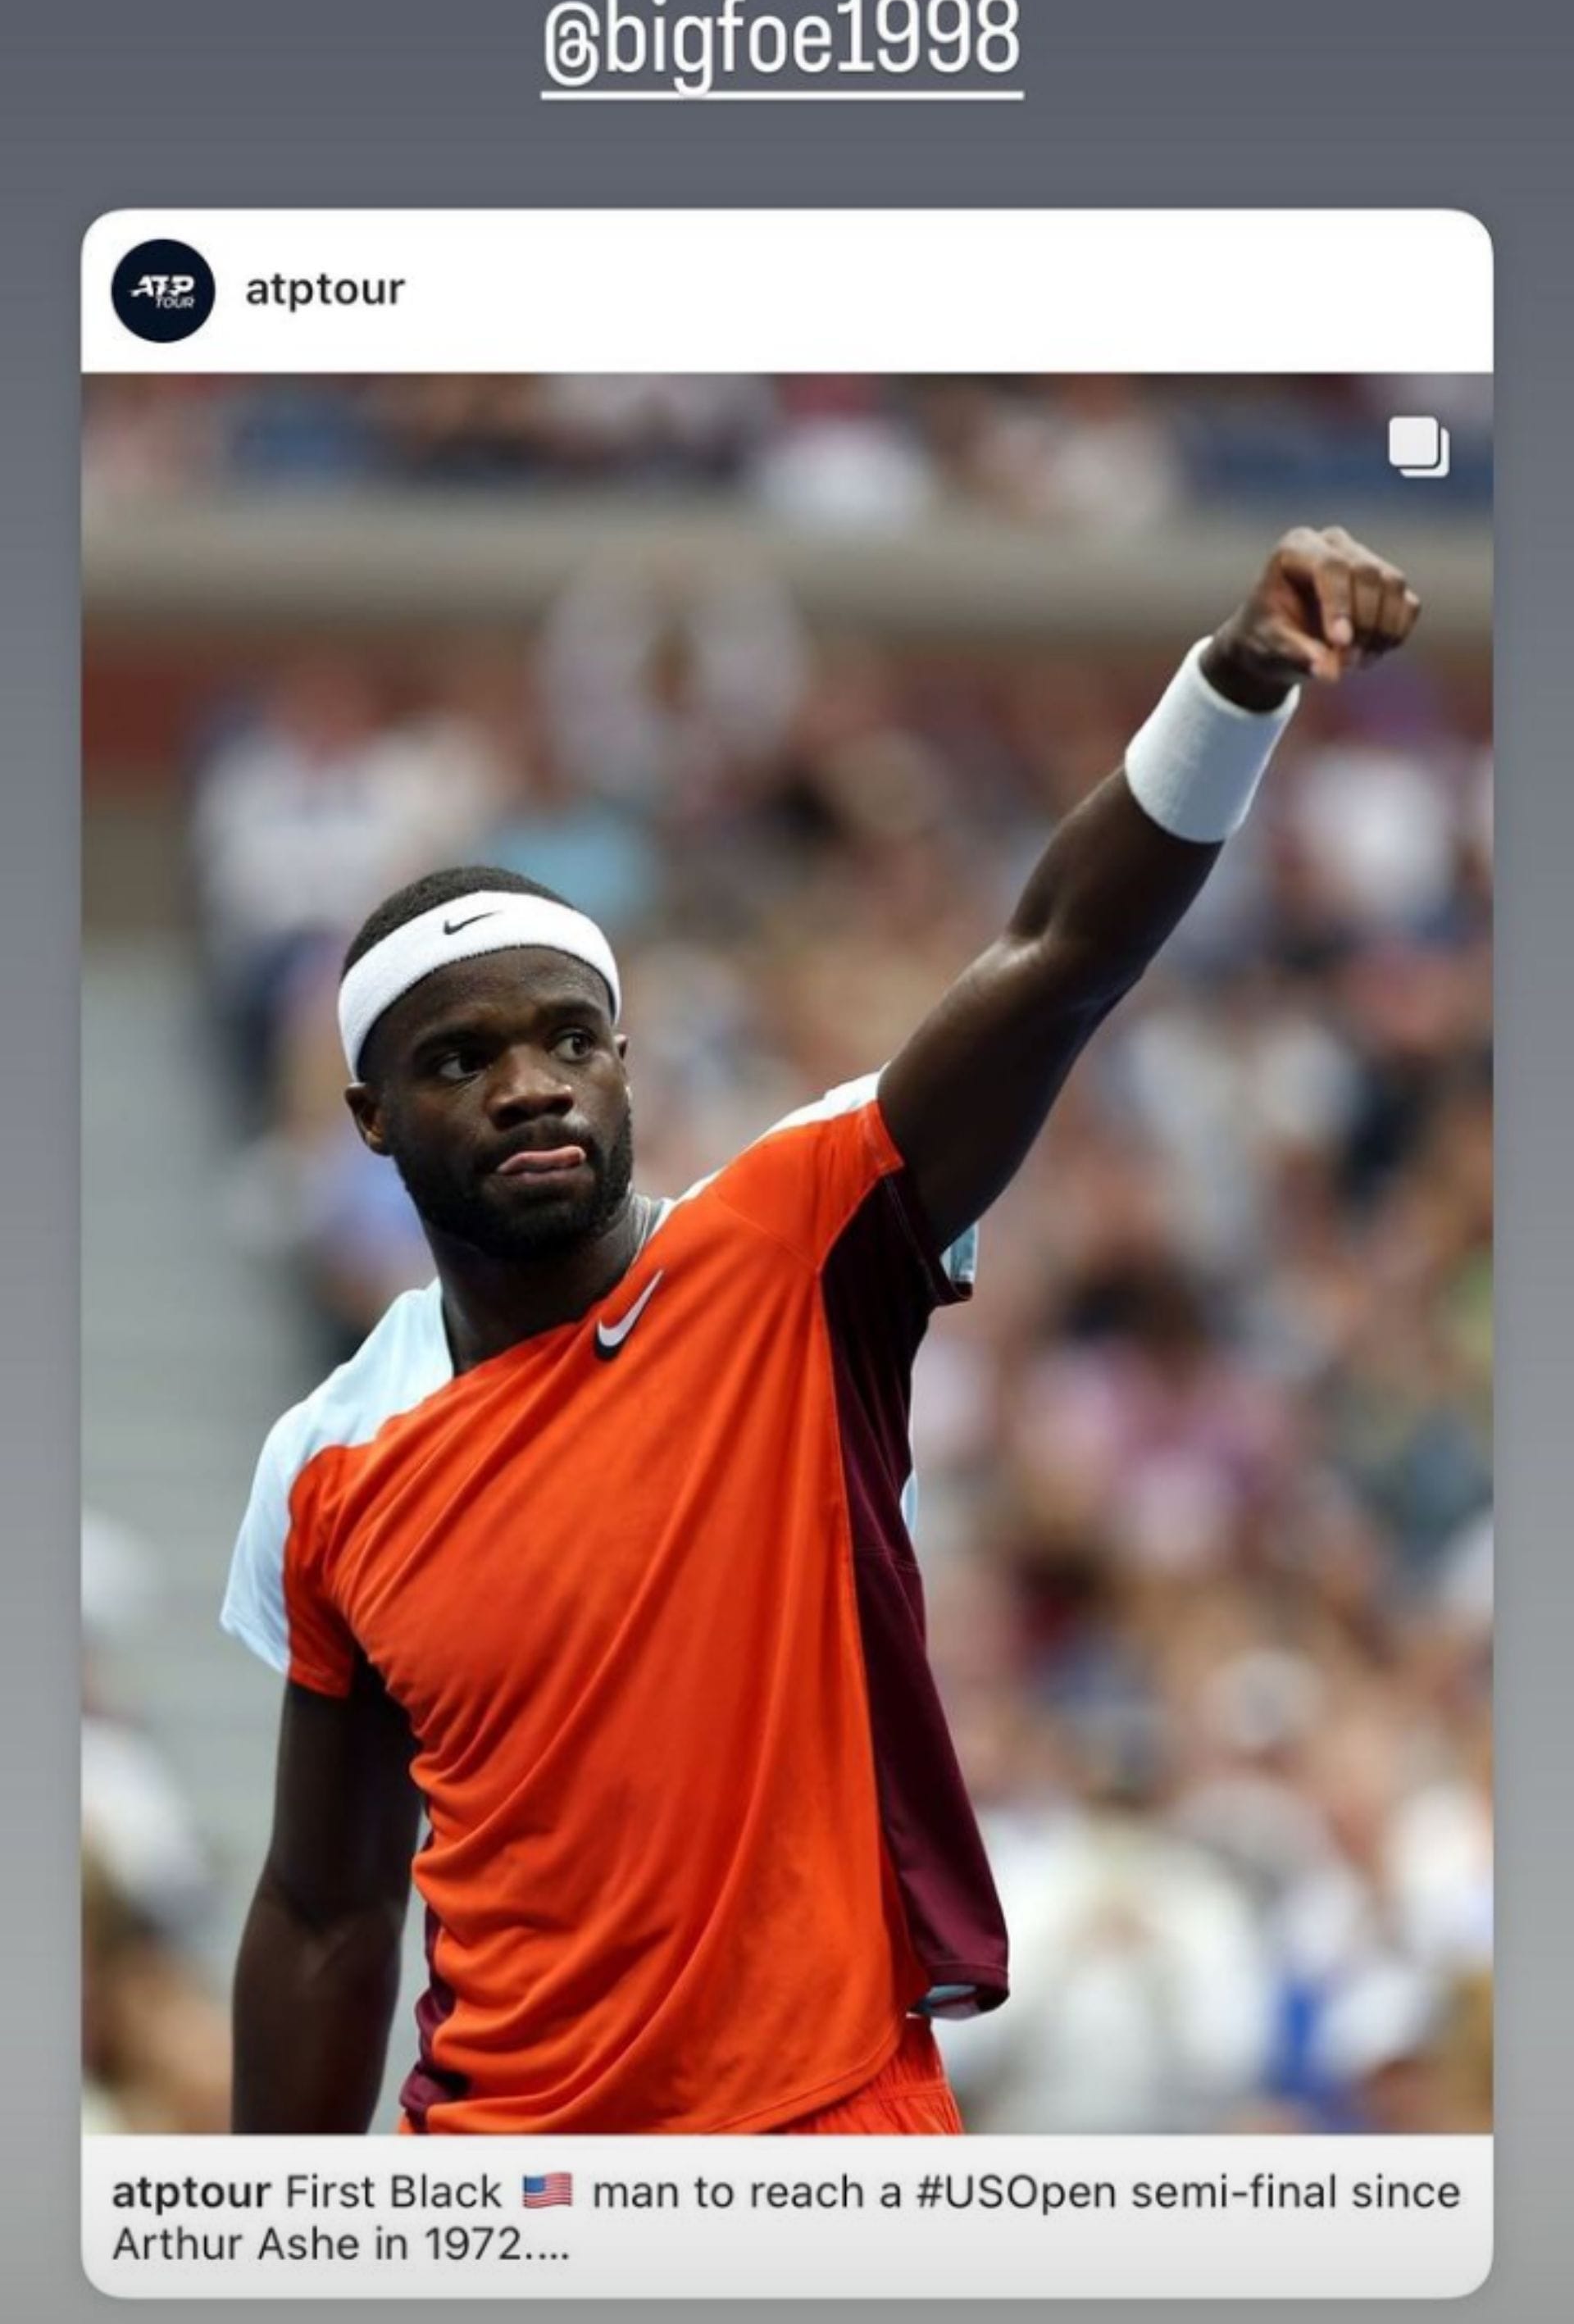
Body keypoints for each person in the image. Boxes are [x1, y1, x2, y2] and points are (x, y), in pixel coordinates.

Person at [222, 527, 1420, 2135]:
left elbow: (1059, 951)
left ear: (626, 1061)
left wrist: (1239, 678)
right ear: (368, 1115)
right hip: (509, 2175)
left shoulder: (795, 1242)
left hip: (836, 2143)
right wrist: (277, 2232)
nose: (529, 1084)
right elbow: (325, 1906)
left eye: (570, 1039)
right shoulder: (327, 1459)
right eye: (459, 1060)